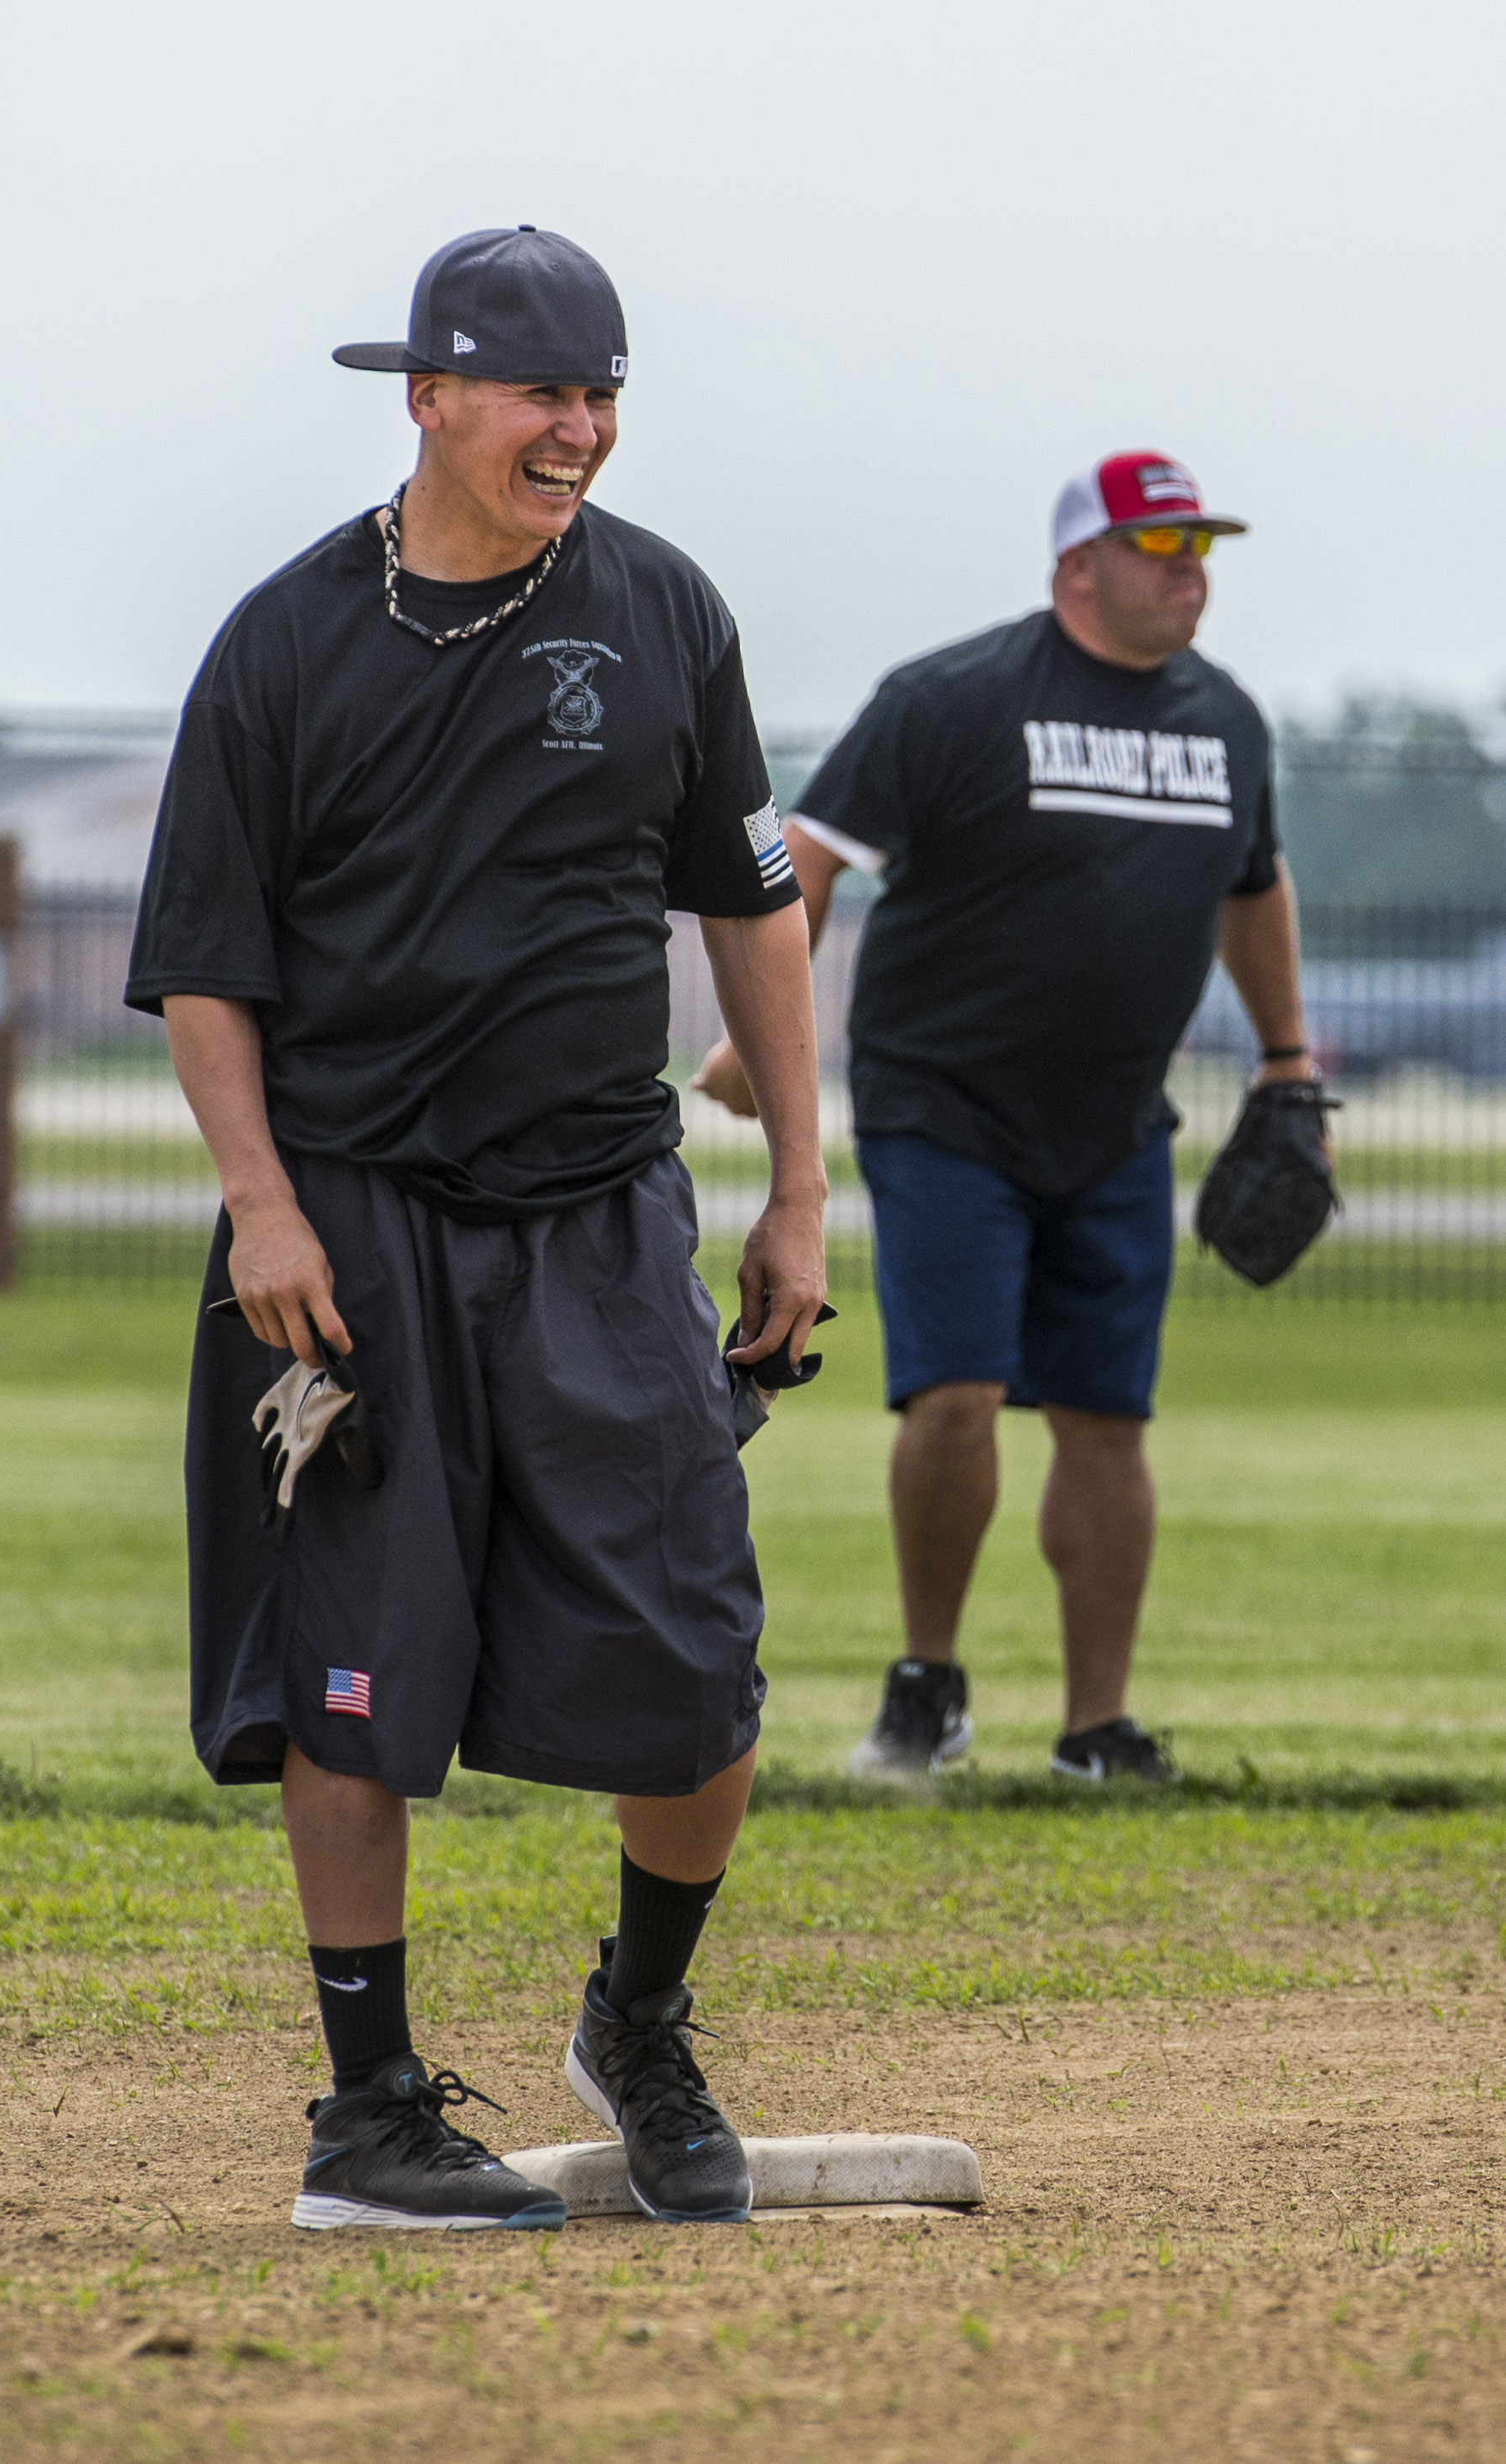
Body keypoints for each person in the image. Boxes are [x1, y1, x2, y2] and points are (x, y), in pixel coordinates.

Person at [125, 225, 826, 2231]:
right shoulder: (282, 642)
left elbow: (752, 897)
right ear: (425, 394)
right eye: (536, 389)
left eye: (600, 391)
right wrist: (258, 1203)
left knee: (693, 1655)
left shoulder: (666, 609)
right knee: (350, 1662)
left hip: (603, 1212)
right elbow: (205, 967)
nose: (577, 427)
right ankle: (368, 2117)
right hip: (346, 1219)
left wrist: (795, 1176)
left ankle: (645, 2018)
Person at [695, 450, 1318, 1783]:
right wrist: (762, 1045)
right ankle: (927, 1691)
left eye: (1200, 546)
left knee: (1107, 1420)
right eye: (1160, 548)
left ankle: (1096, 1728)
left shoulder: (1231, 724)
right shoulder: (955, 698)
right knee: (958, 1398)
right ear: (1077, 566)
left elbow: (1253, 891)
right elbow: (806, 860)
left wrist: (1286, 1059)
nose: (1190, 570)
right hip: (945, 1111)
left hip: (1114, 1125)